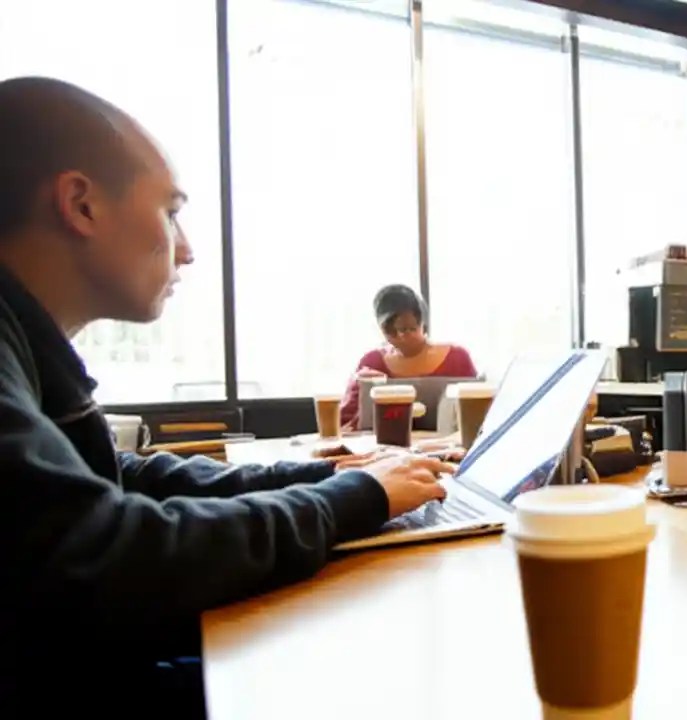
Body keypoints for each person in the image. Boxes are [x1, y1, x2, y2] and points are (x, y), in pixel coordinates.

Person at [0, 77, 449, 715]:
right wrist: (351, 498)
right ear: (82, 204)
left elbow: (117, 478)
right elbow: (102, 552)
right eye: (171, 211)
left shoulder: (27, 351)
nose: (186, 250)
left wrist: (319, 477)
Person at [338, 283, 477, 429]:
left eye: (408, 329)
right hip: (385, 448)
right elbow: (344, 426)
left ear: (423, 323)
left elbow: (479, 415)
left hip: (449, 448)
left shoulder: (457, 358)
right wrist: (365, 396)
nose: (401, 337)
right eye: (391, 331)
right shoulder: (371, 363)